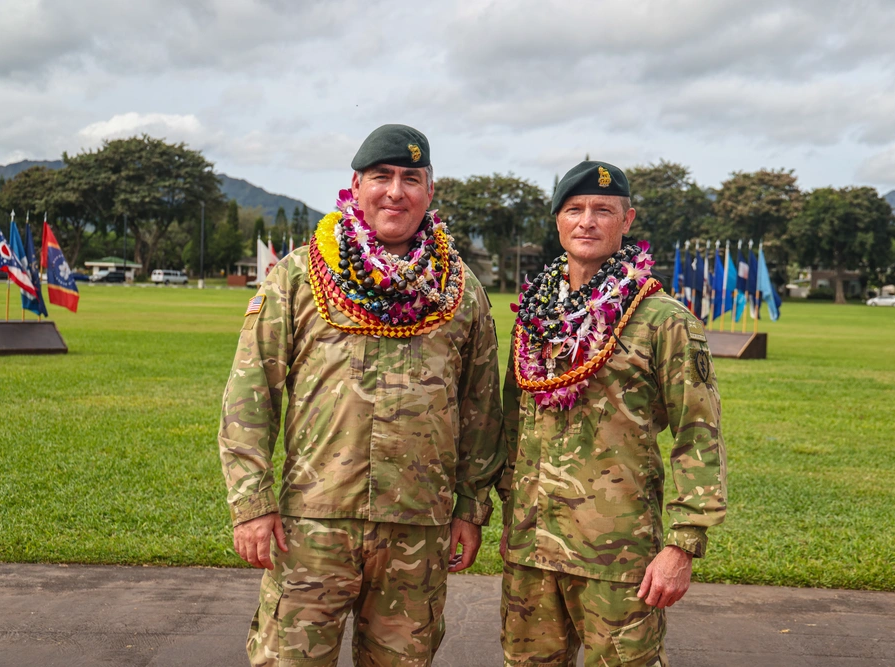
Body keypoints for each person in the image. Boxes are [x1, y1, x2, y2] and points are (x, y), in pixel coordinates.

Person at [218, 124, 504, 667]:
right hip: (314, 524)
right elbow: (251, 395)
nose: (395, 191)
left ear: (430, 191)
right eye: (381, 176)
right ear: (356, 185)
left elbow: (481, 408)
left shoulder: (461, 290)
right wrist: (251, 504)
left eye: (411, 179)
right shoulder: (300, 275)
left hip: (418, 527)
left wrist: (471, 507)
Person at [498, 161, 727, 666]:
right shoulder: (535, 318)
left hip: (617, 557)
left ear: (627, 220)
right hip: (531, 551)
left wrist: (683, 545)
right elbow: (511, 423)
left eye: (603, 210)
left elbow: (699, 432)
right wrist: (507, 513)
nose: (587, 221)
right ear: (557, 221)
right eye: (574, 209)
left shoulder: (663, 320)